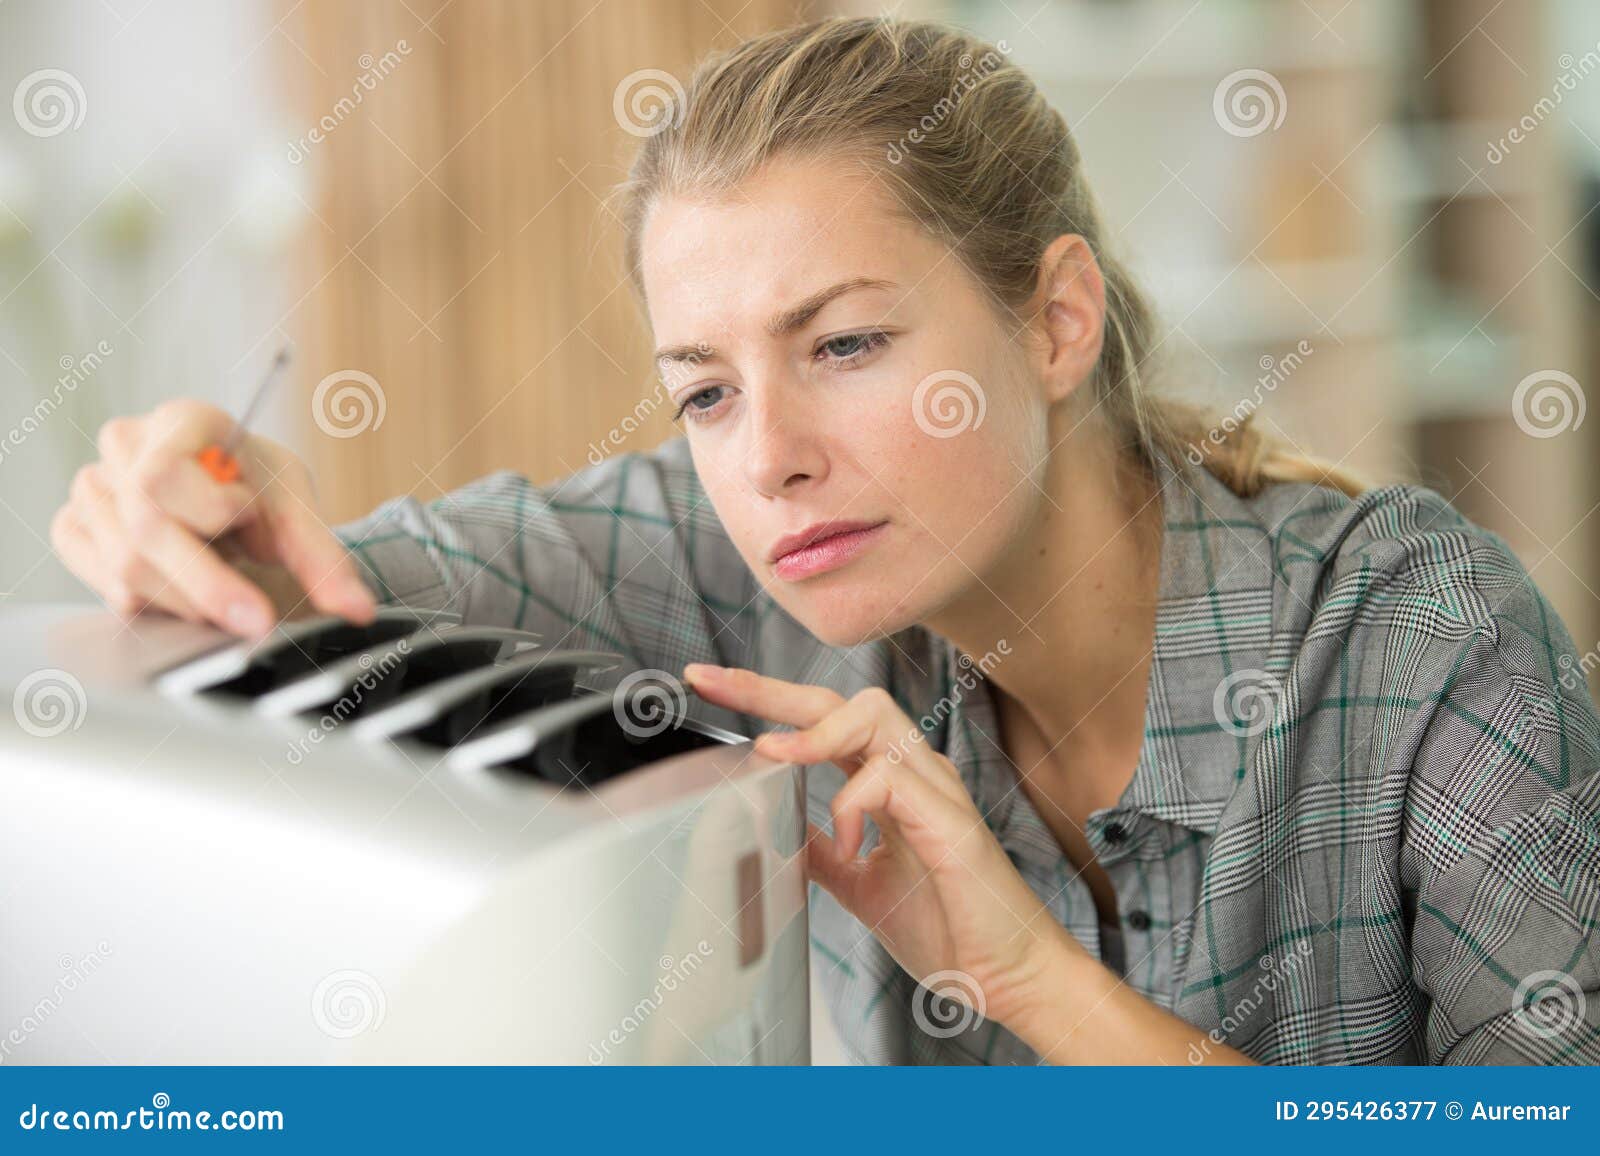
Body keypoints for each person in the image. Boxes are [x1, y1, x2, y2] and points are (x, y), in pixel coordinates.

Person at [49, 16, 1600, 1065]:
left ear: (1057, 319)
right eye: (706, 390)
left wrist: (1030, 987)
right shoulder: (732, 554)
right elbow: (310, 587)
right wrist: (185, 511)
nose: (771, 459)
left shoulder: (1421, 643)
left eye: (848, 345)